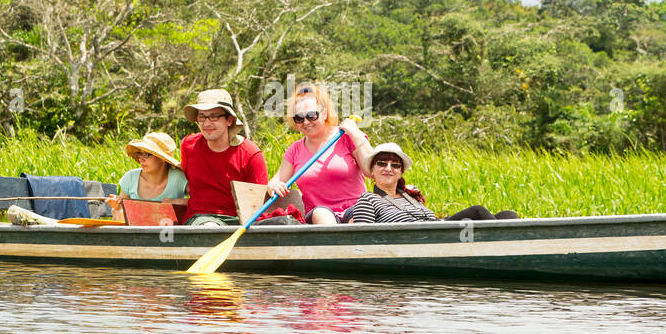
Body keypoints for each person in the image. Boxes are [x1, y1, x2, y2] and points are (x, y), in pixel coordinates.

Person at [266, 84, 374, 224]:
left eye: (312, 116)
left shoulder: (346, 137)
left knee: (359, 216)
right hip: (320, 214)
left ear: (324, 113)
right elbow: (275, 182)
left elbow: (371, 171)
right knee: (322, 214)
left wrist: (356, 134)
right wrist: (274, 186)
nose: (306, 122)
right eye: (299, 118)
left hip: (355, 209)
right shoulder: (295, 150)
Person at [345, 143, 520, 223]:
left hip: (438, 229)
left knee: (508, 215)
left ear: (400, 172)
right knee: (478, 211)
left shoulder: (409, 196)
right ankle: (507, 250)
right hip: (416, 240)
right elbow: (362, 237)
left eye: (395, 165)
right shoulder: (368, 199)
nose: (388, 168)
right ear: (372, 171)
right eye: (382, 163)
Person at [180, 89, 268, 226]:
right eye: (202, 117)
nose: (207, 123)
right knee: (210, 228)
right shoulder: (188, 146)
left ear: (229, 120)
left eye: (214, 116)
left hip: (240, 222)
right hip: (200, 219)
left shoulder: (251, 154)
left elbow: (258, 203)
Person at [105, 132, 188, 221]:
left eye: (147, 154)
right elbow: (120, 211)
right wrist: (117, 206)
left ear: (162, 158)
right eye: (140, 153)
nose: (141, 159)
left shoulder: (179, 178)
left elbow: (201, 200)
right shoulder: (131, 178)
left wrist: (177, 202)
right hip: (136, 232)